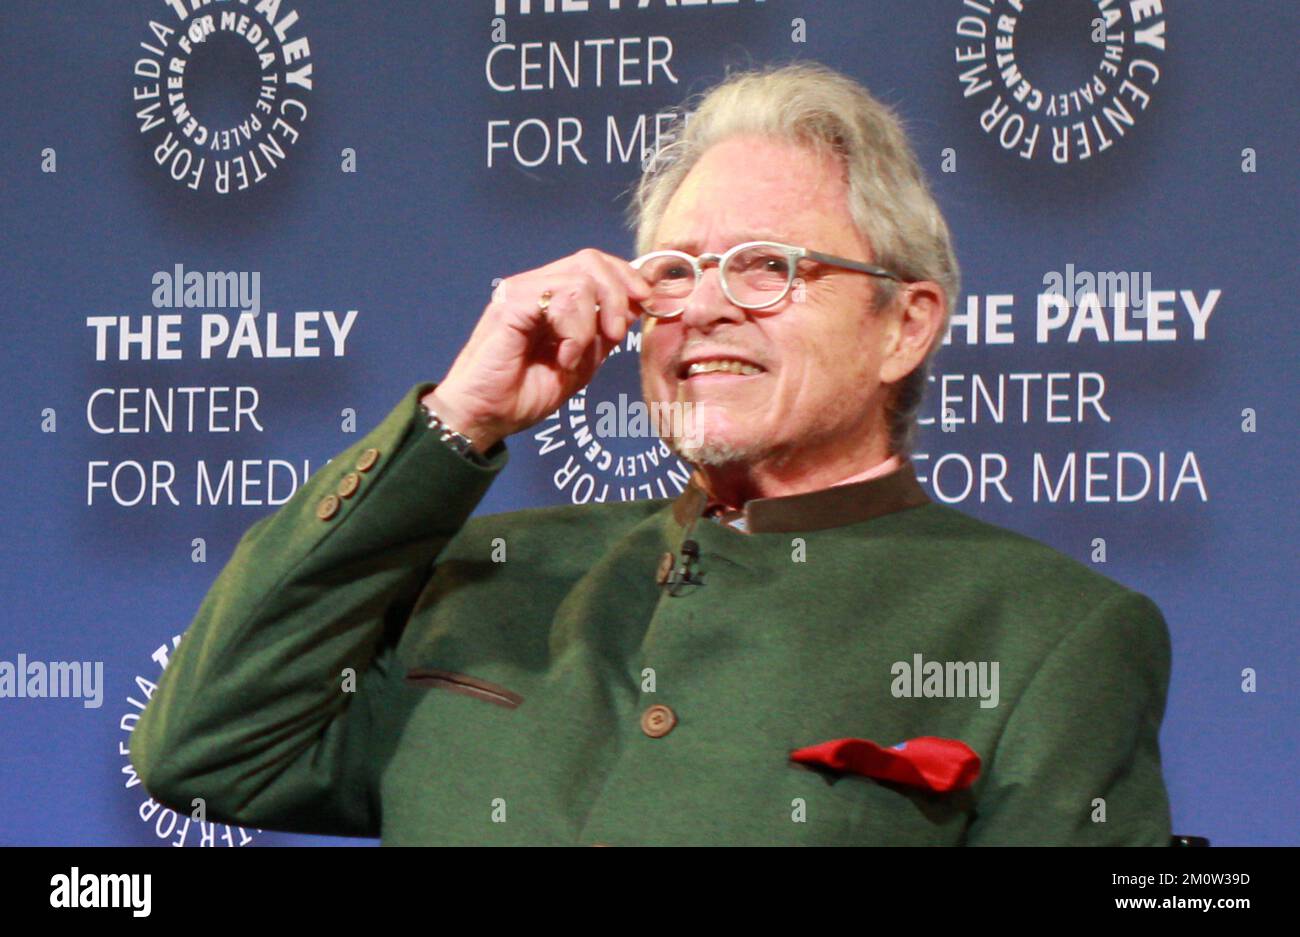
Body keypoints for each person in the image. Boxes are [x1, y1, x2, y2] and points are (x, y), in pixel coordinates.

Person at [132, 62, 1173, 845]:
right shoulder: (489, 574)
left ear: (903, 324)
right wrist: (455, 425)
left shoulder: (1052, 632)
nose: (707, 307)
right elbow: (206, 752)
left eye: (769, 266)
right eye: (673, 272)